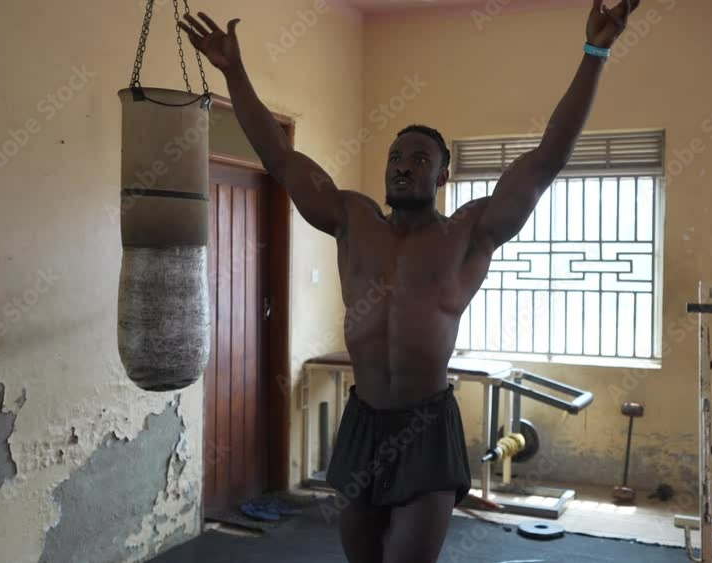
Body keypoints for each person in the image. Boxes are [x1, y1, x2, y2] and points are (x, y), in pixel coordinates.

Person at [179, 2, 639, 561]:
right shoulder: (352, 218)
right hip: (362, 420)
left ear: (443, 174)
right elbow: (278, 157)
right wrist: (233, 72)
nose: (403, 164)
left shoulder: (471, 232)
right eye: (397, 156)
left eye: (420, 158)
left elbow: (546, 160)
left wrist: (595, 53)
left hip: (426, 425)